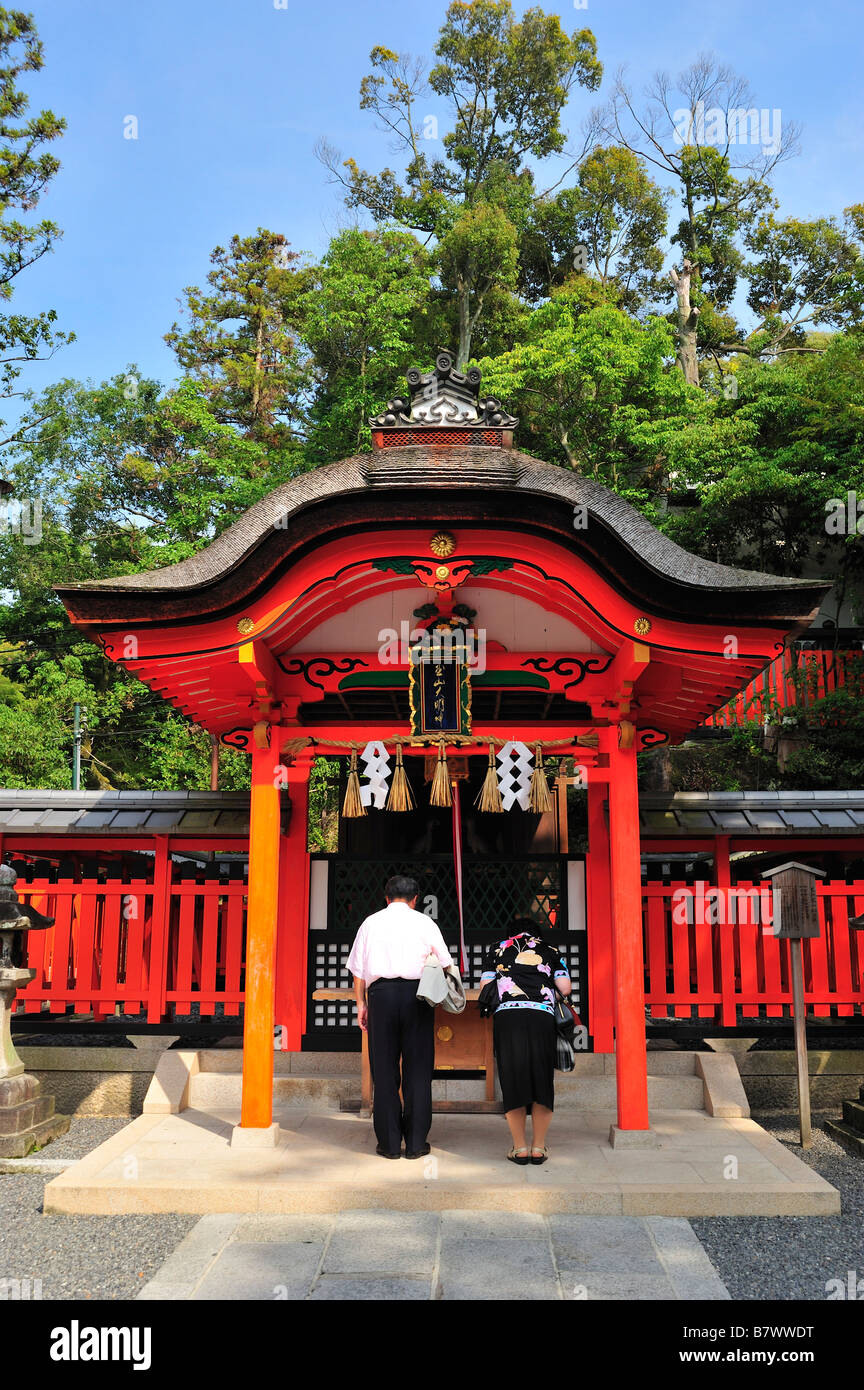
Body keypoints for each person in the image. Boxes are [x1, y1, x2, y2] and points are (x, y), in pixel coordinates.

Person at [347, 874, 454, 1160]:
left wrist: (361, 1004)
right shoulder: (425, 923)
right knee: (418, 1071)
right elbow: (446, 963)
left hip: (380, 996)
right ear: (415, 899)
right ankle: (417, 1143)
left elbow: (358, 970)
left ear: (386, 897)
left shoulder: (371, 923)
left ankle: (390, 1144)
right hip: (416, 997)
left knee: (383, 1070)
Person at [479, 917, 572, 1165]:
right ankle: (538, 1148)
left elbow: (485, 985)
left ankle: (520, 1148)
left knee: (513, 1076)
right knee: (541, 1076)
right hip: (541, 1017)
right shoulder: (550, 950)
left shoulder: (497, 948)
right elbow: (564, 987)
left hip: (508, 1018)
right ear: (536, 934)